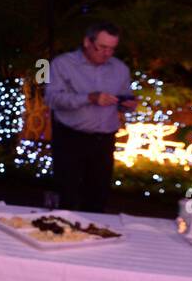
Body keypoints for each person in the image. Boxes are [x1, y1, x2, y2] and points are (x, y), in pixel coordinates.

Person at [45, 21, 136, 212]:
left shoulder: (120, 69)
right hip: (71, 137)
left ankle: (94, 236)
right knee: (66, 195)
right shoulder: (62, 64)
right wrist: (88, 98)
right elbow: (52, 99)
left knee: (98, 196)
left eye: (112, 49)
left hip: (104, 140)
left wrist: (128, 104)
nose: (107, 53)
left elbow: (125, 99)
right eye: (102, 47)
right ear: (87, 42)